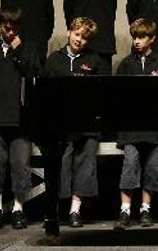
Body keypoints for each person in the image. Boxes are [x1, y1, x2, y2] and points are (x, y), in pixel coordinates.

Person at [0, 6, 41, 232]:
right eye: (6, 27)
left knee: (21, 165)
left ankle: (18, 209)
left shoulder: (29, 48)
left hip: (21, 120)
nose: (10, 31)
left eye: (14, 28)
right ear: (0, 25)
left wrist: (19, 51)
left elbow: (33, 76)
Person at [42, 17, 108, 227]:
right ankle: (58, 209)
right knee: (62, 164)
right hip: (61, 126)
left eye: (85, 38)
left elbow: (101, 95)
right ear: (69, 32)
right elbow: (47, 92)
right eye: (77, 34)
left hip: (87, 126)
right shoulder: (54, 59)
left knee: (85, 164)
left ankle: (75, 210)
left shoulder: (96, 61)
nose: (79, 40)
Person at [114, 18, 158, 229]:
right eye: (135, 37)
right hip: (131, 129)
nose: (137, 41)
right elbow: (117, 98)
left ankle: (145, 210)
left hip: (155, 128)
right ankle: (125, 211)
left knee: (153, 169)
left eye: (142, 37)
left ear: (152, 39)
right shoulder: (126, 64)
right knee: (129, 167)